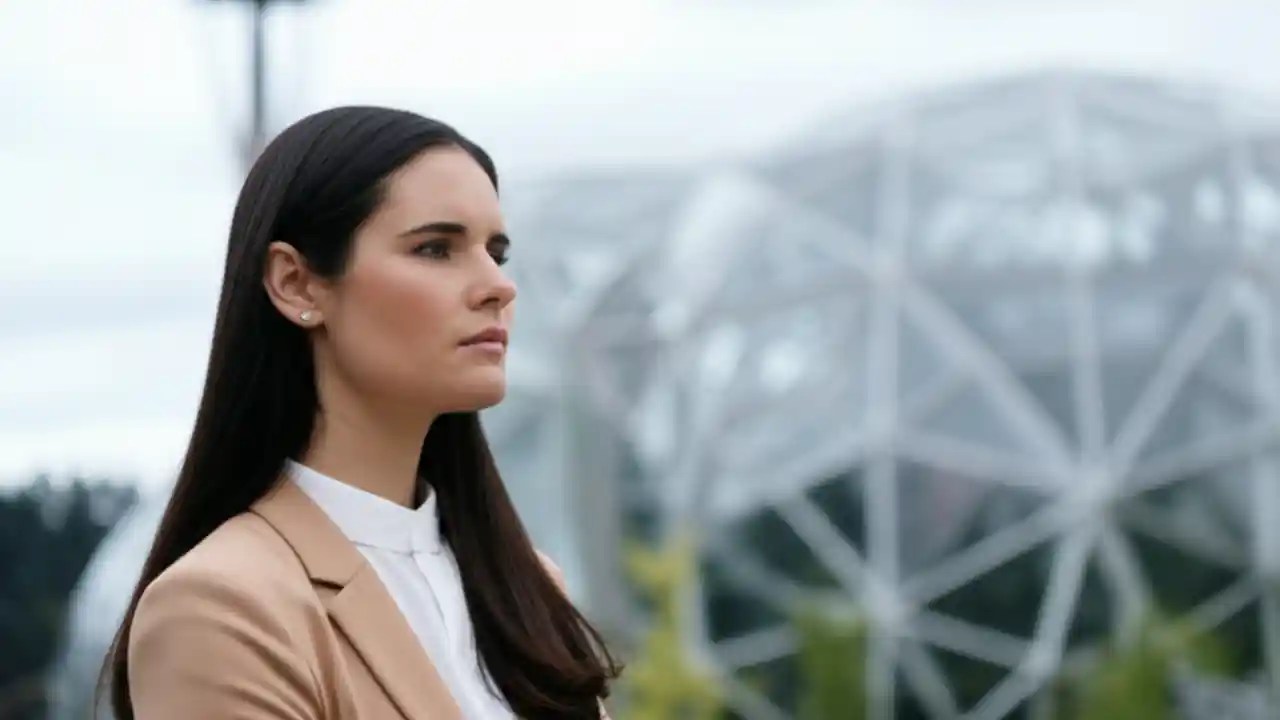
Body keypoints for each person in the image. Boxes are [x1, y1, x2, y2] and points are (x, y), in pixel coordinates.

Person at [98, 106, 621, 719]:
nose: (497, 286)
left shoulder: (526, 587)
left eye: (496, 252)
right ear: (296, 284)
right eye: (434, 248)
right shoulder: (224, 605)